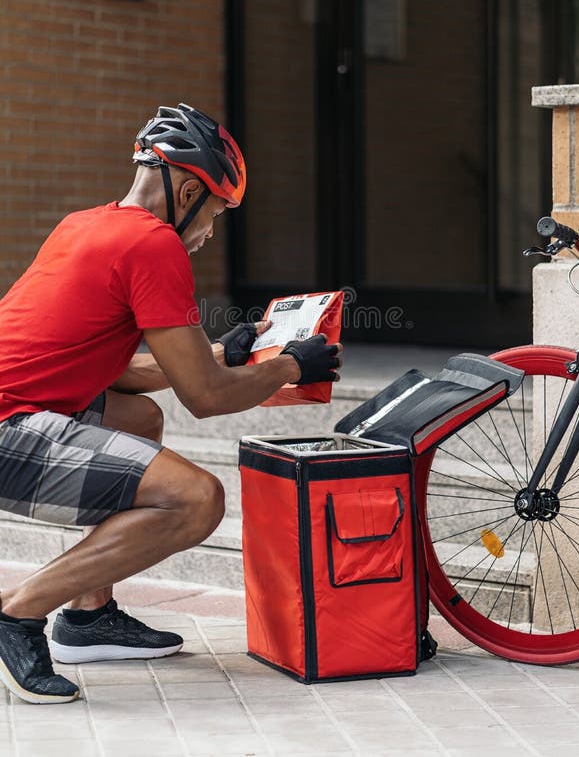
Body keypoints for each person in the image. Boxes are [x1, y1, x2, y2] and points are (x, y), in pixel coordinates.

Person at [0, 103, 342, 704]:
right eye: (213, 213)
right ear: (187, 189)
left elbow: (118, 374)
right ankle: (18, 613)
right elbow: (206, 398)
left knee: (139, 418)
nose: (210, 232)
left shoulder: (84, 225)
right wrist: (293, 365)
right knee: (196, 498)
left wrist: (217, 352)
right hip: (10, 430)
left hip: (17, 411)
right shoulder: (153, 244)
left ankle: (89, 616)